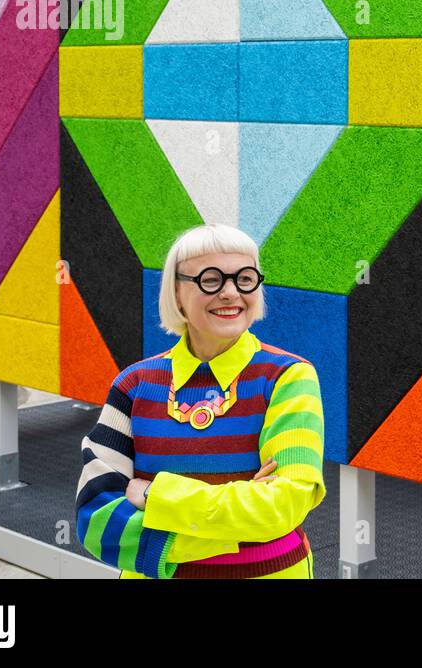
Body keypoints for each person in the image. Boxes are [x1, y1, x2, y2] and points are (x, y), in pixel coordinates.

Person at [74, 223, 325, 578]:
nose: (230, 293)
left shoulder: (289, 376)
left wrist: (155, 495)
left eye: (245, 279)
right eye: (211, 280)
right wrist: (235, 531)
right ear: (177, 292)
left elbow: (283, 507)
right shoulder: (133, 384)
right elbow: (97, 522)